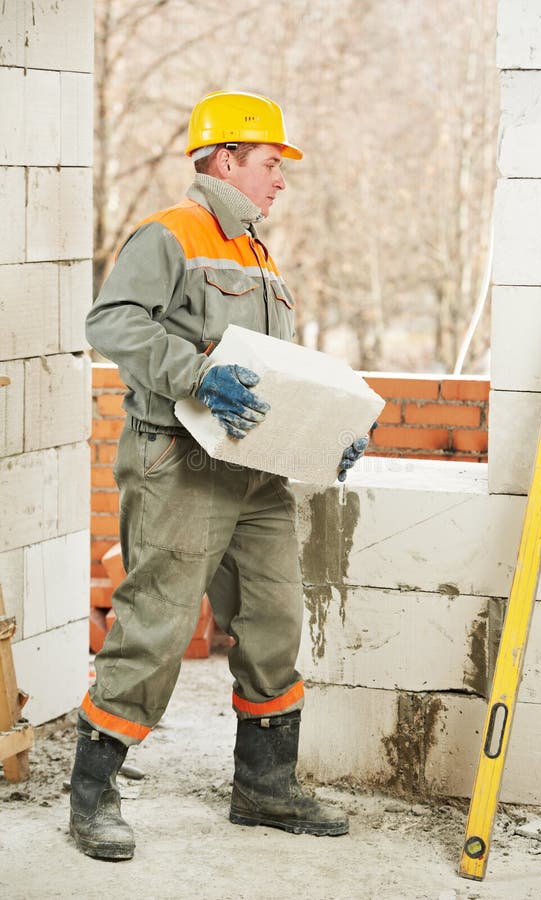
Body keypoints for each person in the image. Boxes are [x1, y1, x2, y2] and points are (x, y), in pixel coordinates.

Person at [70, 91, 370, 860]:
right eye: (271, 163)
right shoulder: (171, 233)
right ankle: (93, 797)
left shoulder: (257, 256)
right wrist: (197, 374)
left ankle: (264, 788)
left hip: (255, 475)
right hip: (181, 464)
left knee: (273, 620)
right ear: (225, 159)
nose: (280, 179)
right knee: (157, 625)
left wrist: (328, 434)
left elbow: (272, 377)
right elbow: (112, 321)